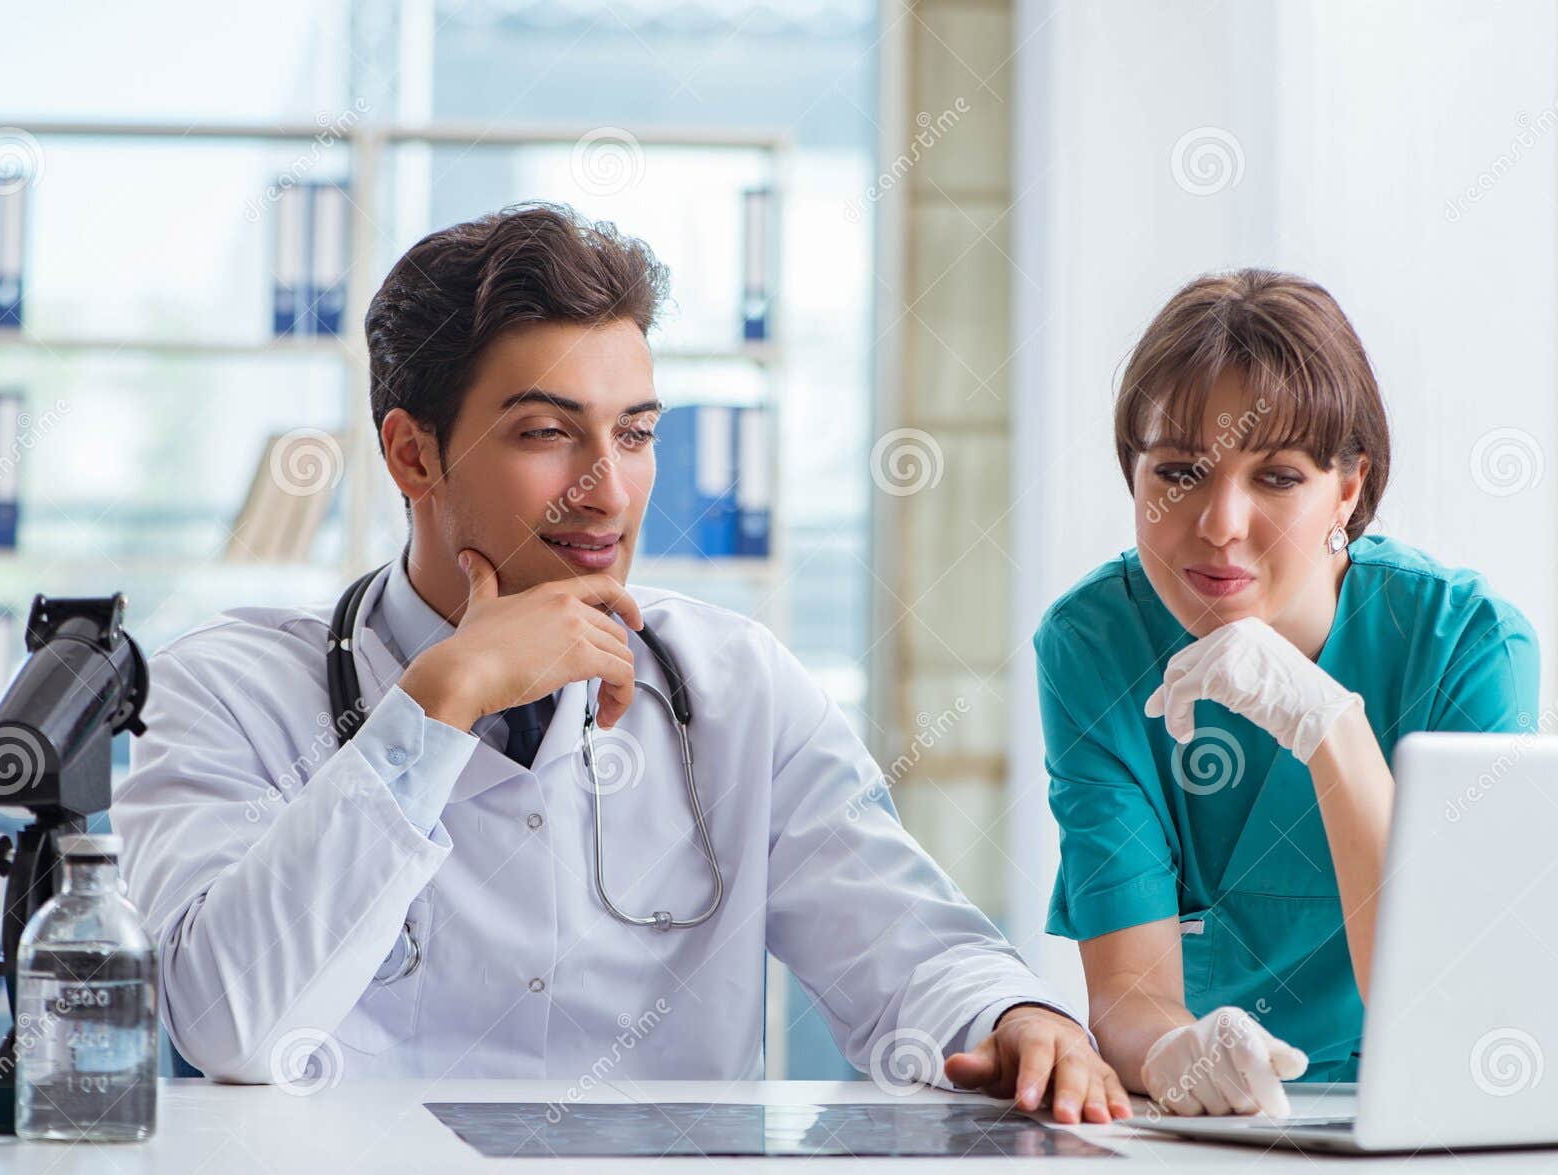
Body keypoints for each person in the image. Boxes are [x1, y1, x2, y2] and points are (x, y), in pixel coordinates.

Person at [112, 202, 1129, 1123]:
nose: (607, 491)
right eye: (549, 433)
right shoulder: (230, 690)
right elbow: (227, 1020)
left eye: (634, 433)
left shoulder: (734, 686)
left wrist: (1016, 1011)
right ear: (412, 454)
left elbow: (907, 941)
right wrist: (438, 702)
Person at [1035, 268, 1539, 1116]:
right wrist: (1173, 1049)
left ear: (1348, 488)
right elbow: (1127, 990)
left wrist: (1328, 724)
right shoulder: (1093, 643)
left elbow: (1448, 1001)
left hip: (1426, 1119)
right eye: (1179, 472)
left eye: (1277, 477)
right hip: (1205, 1123)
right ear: (1134, 479)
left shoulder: (1464, 643)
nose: (1220, 522)